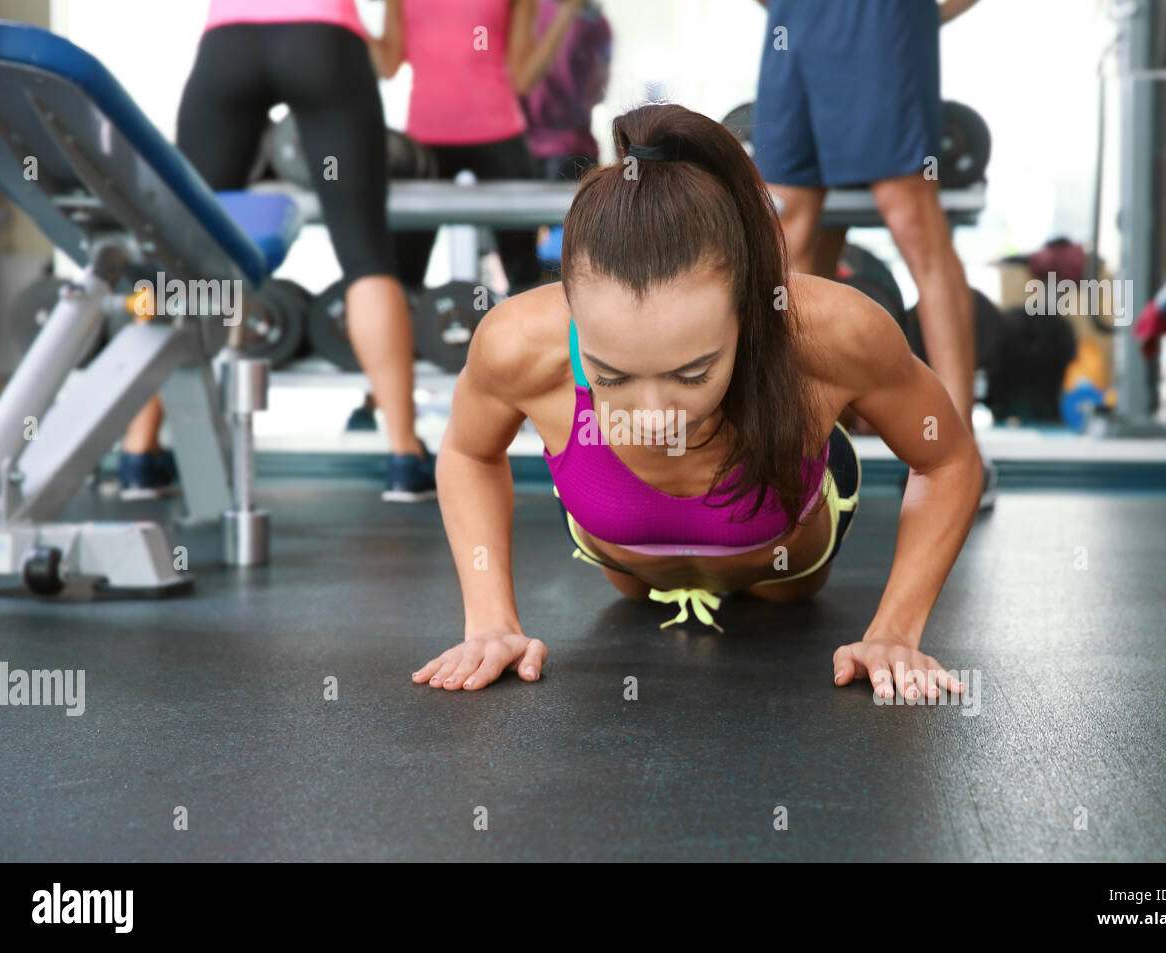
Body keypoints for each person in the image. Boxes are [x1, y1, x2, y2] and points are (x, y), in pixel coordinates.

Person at [412, 104, 983, 698]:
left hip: (787, 559)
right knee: (635, 588)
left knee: (779, 593)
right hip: (622, 553)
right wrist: (489, 624)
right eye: (610, 376)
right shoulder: (517, 343)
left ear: (746, 309)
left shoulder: (833, 331)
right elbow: (470, 453)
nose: (655, 413)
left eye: (692, 374)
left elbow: (946, 458)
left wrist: (896, 632)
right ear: (571, 311)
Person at [120, 0, 435, 503]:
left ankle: (138, 454)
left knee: (176, 255)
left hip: (229, 44)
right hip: (322, 38)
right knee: (366, 258)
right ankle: (404, 455)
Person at [750, 0, 995, 508]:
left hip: (882, 21)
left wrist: (923, 15)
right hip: (795, 22)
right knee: (787, 232)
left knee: (911, 217)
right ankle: (805, 441)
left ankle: (960, 448)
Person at [369, 0, 591, 294]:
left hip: (499, 134)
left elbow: (523, 77)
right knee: (405, 277)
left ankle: (524, 337)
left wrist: (565, 14)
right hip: (426, 137)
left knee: (523, 274)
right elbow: (387, 65)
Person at [522, 0, 612, 182]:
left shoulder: (528, 13)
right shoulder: (598, 23)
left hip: (541, 147)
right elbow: (599, 90)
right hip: (573, 147)